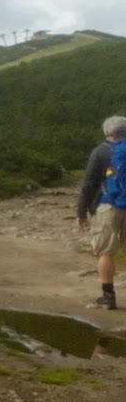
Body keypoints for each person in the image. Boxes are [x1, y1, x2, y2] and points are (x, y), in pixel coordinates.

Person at [76, 115, 126, 309]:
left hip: (108, 205)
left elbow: (89, 183)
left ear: (107, 133)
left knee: (105, 252)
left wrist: (81, 211)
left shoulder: (101, 151)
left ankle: (108, 297)